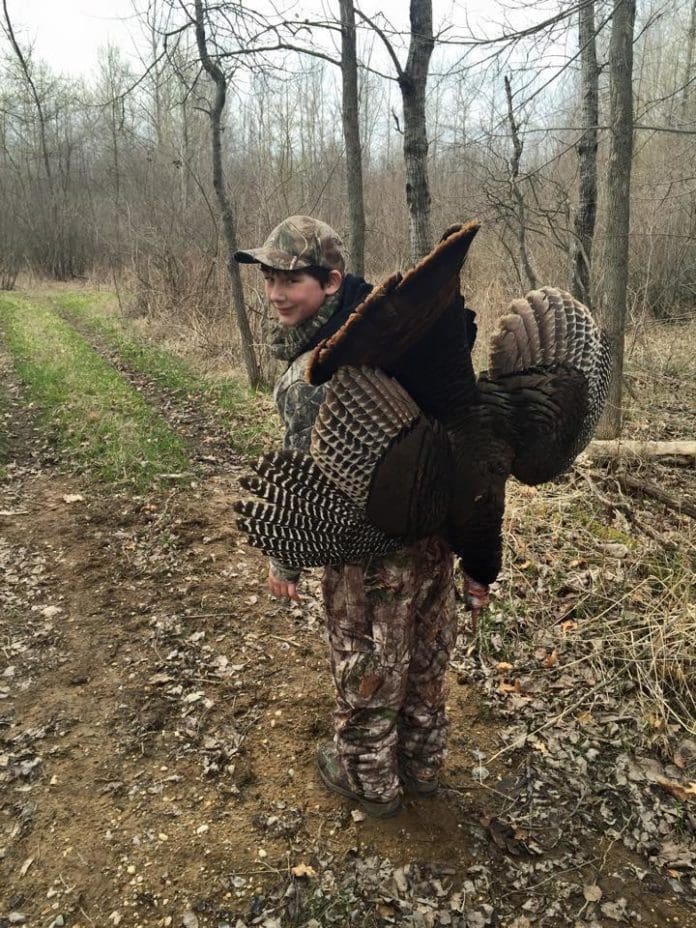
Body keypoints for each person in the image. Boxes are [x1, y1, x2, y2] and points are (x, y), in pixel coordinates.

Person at [234, 215, 474, 818]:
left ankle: (367, 778)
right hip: (433, 538)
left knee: (366, 658)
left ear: (332, 281)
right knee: (424, 654)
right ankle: (421, 764)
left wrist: (286, 555)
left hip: (365, 546)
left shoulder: (320, 369)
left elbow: (303, 472)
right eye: (268, 279)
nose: (274, 294)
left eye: (290, 280)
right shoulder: (404, 335)